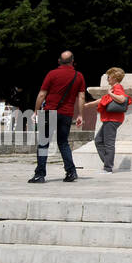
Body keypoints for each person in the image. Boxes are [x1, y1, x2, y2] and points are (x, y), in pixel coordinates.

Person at [29, 51, 87, 183]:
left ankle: (40, 175)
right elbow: (82, 96)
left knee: (43, 144)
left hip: (49, 112)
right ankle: (71, 172)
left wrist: (36, 111)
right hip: (66, 114)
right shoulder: (79, 76)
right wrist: (80, 115)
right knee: (63, 143)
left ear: (59, 61)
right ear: (73, 61)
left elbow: (42, 94)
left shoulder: (52, 74)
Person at [83, 67, 131, 174]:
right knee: (99, 141)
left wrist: (111, 94)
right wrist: (88, 105)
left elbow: (122, 99)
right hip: (109, 119)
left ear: (114, 78)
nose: (107, 79)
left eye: (108, 77)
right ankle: (108, 163)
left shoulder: (117, 87)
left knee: (108, 143)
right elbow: (103, 100)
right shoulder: (114, 88)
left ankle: (108, 167)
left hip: (112, 119)